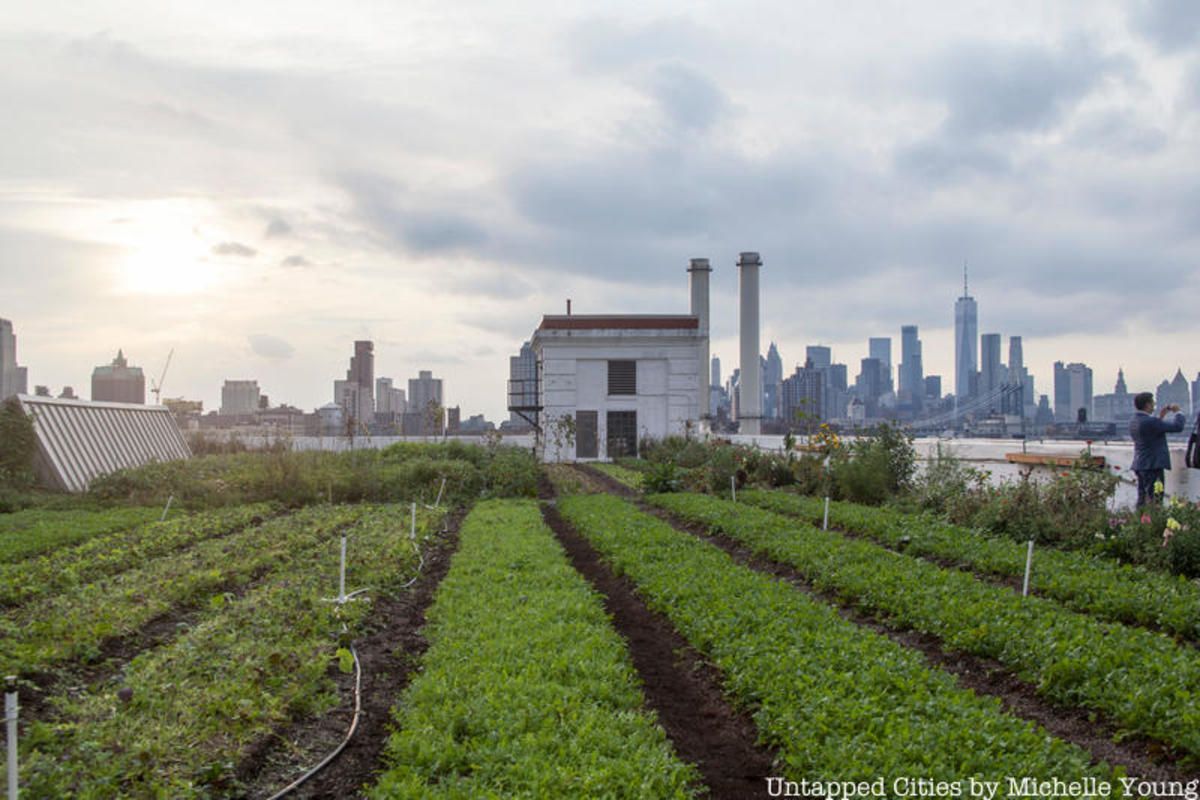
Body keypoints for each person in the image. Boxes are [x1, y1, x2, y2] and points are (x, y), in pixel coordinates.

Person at [1129, 392, 1185, 507]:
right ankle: (1152, 522)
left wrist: (1160, 418)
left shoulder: (1134, 420)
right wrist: (1179, 412)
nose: (1154, 405)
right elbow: (1177, 427)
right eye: (1152, 402)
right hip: (1152, 465)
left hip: (1140, 464)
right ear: (1147, 405)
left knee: (1142, 499)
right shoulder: (1151, 422)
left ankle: (1141, 521)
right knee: (1155, 499)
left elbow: (1151, 431)